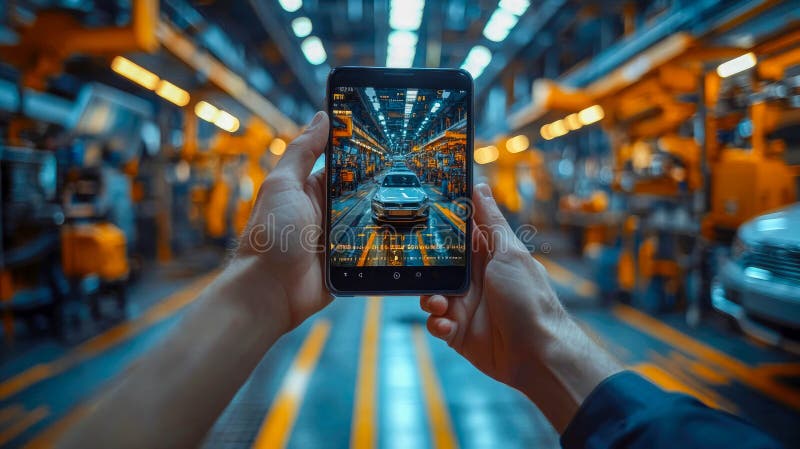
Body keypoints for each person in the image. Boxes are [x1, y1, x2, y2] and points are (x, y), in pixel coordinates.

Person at [58, 112, 784, 449]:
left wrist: (258, 288)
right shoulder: (386, 190)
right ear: (380, 187)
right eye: (390, 192)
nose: (400, 198)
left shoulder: (406, 187)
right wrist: (264, 284)